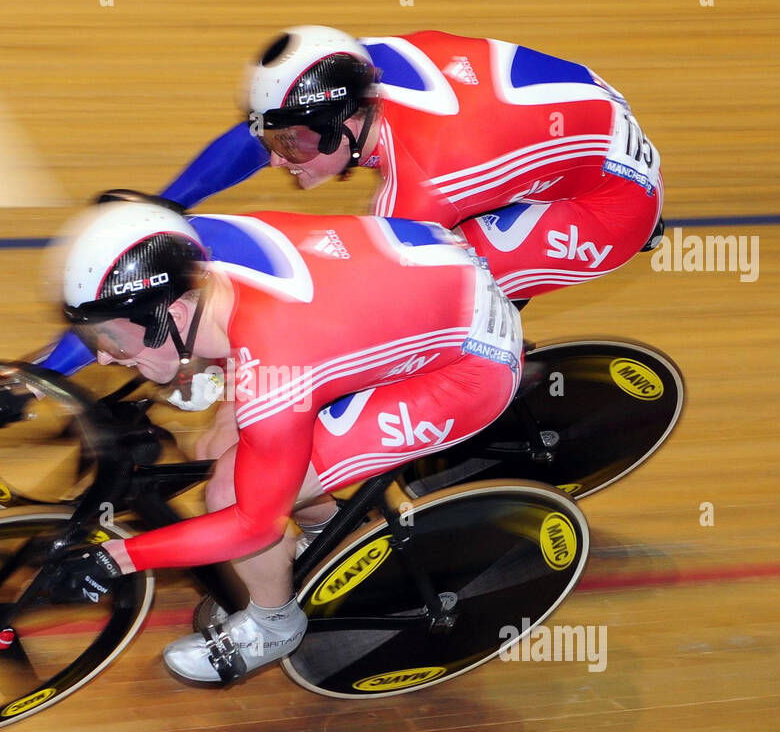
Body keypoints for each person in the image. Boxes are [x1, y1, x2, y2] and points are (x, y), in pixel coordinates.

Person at [40, 197, 523, 684]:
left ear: (177, 315)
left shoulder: (276, 368)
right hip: (408, 297)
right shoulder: (184, 245)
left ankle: (274, 626)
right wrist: (37, 374)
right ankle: (328, 529)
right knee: (222, 444)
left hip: (466, 373)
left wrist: (115, 558)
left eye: (114, 340)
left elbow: (251, 525)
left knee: (232, 489)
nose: (103, 358)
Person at [34, 26, 662, 386]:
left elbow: (371, 298)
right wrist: (166, 208)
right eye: (282, 140)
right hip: (559, 125)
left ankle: (483, 378)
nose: (280, 160)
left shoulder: (427, 182)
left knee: (422, 305)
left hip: (602, 203)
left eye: (297, 144)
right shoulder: (349, 70)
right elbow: (262, 131)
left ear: (348, 121)